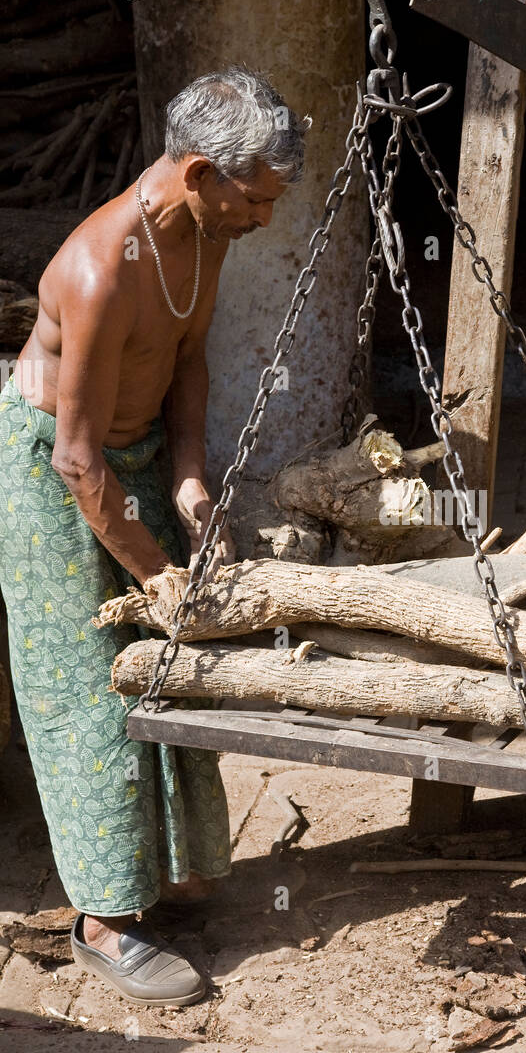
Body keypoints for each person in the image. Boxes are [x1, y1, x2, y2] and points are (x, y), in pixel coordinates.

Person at [0, 66, 308, 1005]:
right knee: (91, 693)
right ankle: (105, 921)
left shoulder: (206, 235)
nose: (264, 218)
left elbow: (189, 358)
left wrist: (186, 473)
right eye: (255, 198)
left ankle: (163, 876)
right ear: (204, 172)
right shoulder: (99, 266)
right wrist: (154, 568)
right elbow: (76, 460)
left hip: (126, 465)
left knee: (173, 671)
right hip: (55, 472)